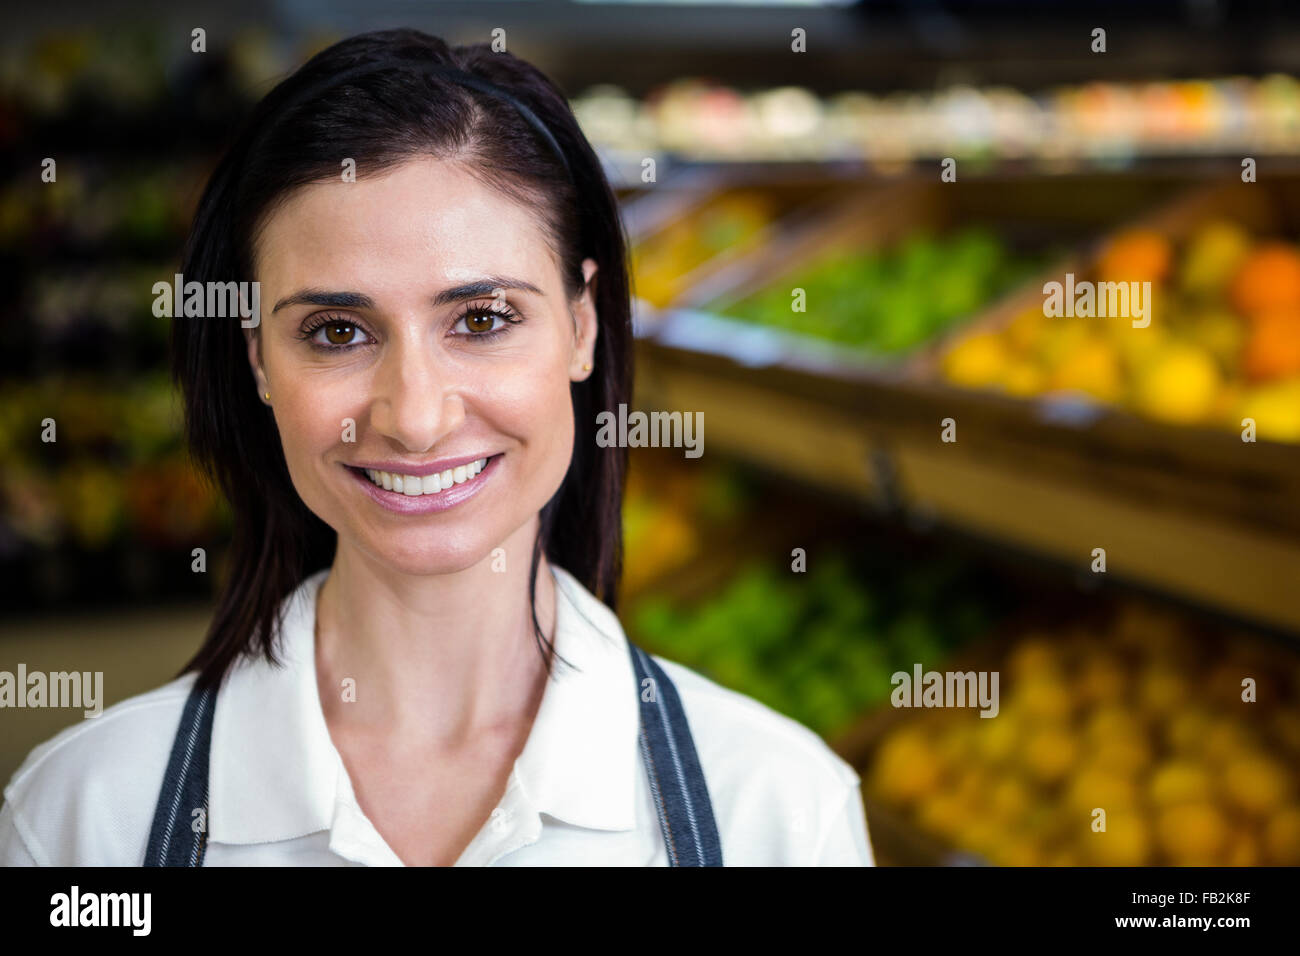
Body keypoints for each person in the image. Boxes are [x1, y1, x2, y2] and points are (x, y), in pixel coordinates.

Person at [0, 28, 874, 866]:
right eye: (337, 331)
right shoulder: (86, 818)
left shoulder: (778, 814)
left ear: (582, 326)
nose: (415, 417)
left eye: (483, 320)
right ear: (257, 358)